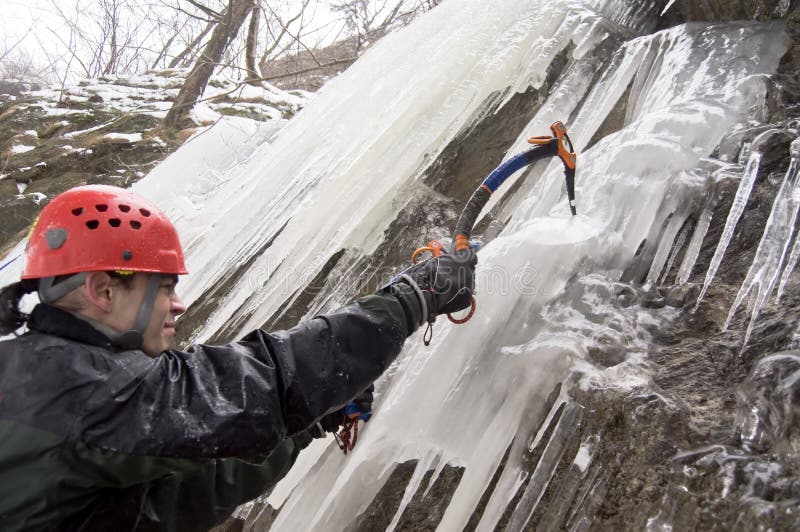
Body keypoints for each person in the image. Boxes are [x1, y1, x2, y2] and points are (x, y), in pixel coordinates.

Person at [0, 184, 476, 531]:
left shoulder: (50, 380)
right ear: (103, 290)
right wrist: (413, 298)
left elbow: (175, 498)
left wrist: (307, 423)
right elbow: (245, 386)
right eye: (164, 287)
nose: (179, 304)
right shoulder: (73, 385)